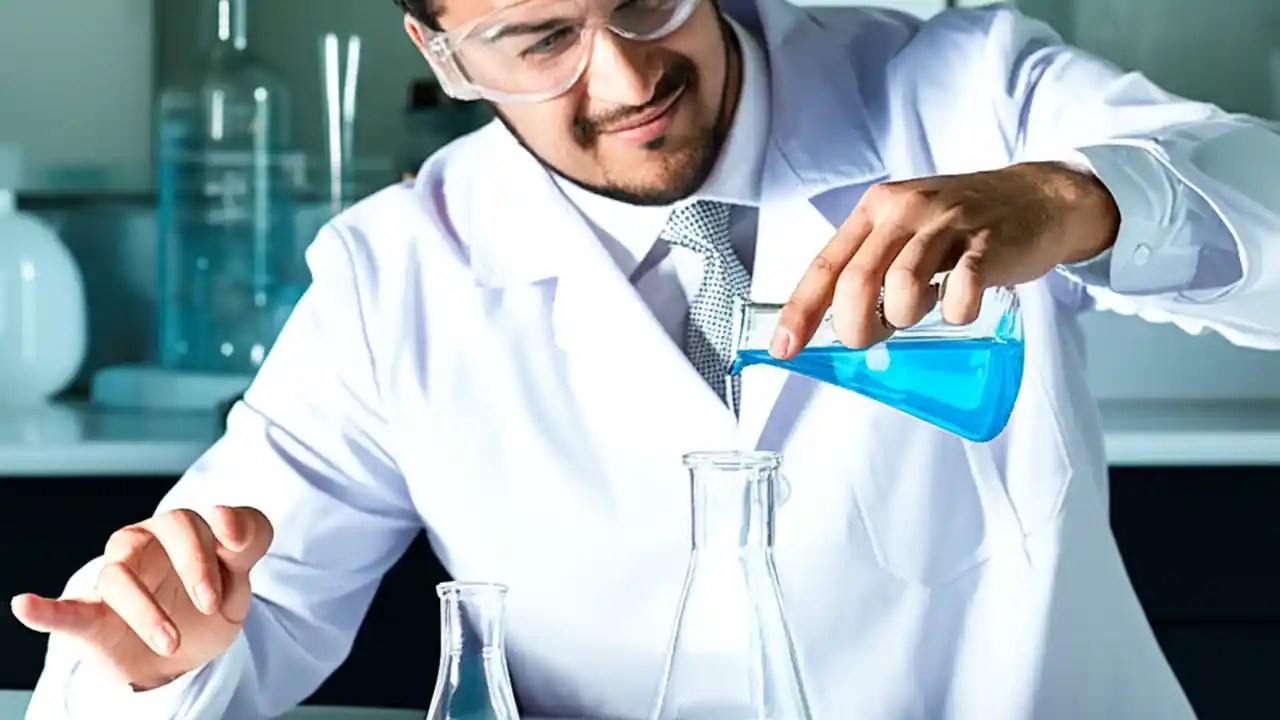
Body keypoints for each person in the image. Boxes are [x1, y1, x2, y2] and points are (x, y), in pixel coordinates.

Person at [13, 0, 1280, 717]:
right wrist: (153, 655)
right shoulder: (392, 277)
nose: (624, 75)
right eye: (536, 39)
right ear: (441, 51)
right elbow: (205, 631)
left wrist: (1075, 197)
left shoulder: (958, 86)